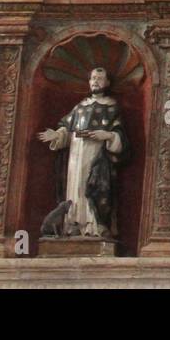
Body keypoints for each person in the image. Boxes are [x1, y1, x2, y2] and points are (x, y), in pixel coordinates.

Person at [37, 66, 128, 238]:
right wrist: (57, 134)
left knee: (94, 187)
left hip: (97, 154)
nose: (95, 81)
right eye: (93, 78)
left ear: (107, 82)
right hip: (76, 154)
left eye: (100, 78)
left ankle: (94, 226)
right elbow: (67, 128)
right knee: (74, 188)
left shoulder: (111, 107)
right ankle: (73, 226)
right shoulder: (79, 107)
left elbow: (120, 135)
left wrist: (107, 135)